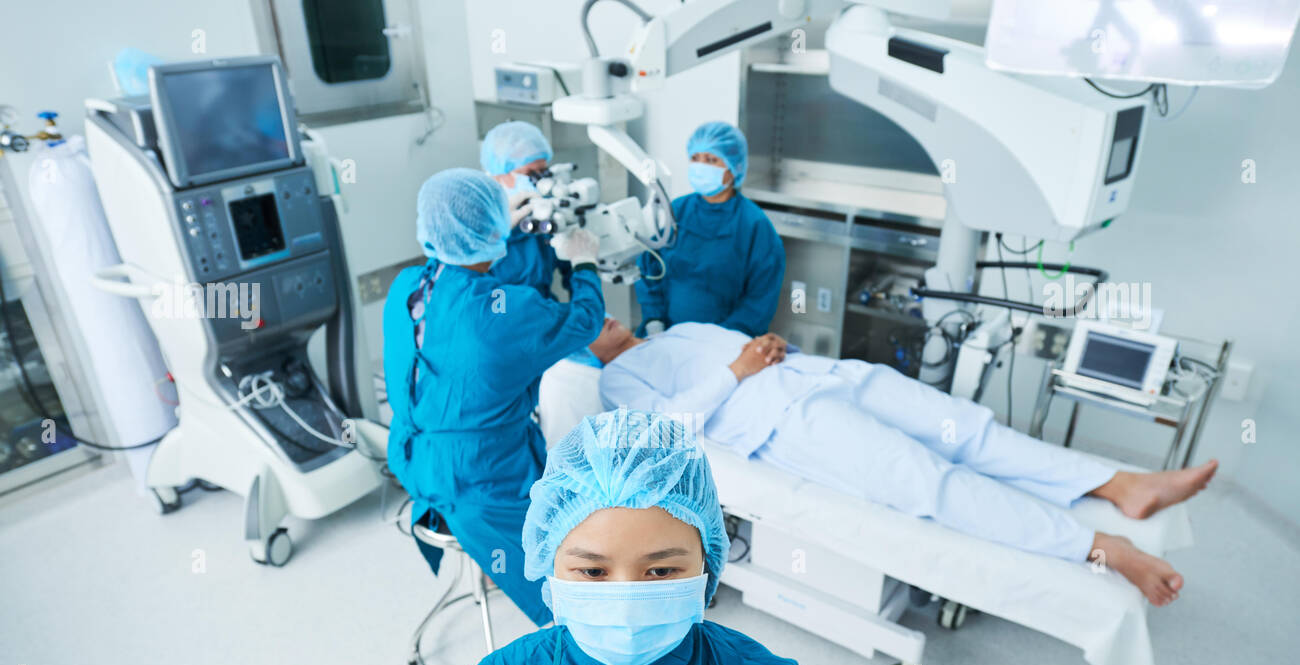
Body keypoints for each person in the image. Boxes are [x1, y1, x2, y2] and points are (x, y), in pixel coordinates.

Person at [589, 321, 1219, 606]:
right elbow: (668, 429)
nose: (604, 316)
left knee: (971, 430)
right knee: (933, 483)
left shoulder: (675, 331)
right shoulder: (615, 383)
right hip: (794, 427)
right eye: (588, 321)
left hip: (827, 377)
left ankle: (1119, 483)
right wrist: (739, 368)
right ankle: (1100, 546)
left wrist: (767, 345)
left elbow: (747, 350)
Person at [444, 409, 821, 665]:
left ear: (706, 563)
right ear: (550, 566)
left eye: (660, 572)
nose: (625, 602)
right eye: (593, 572)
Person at [383, 167, 619, 626]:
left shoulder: (405, 288)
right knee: (570, 583)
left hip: (413, 462)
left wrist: (496, 232)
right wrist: (583, 262)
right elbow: (587, 319)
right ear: (492, 229)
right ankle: (578, 648)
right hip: (483, 481)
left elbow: (458, 325)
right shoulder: (508, 313)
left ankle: (492, 563)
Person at [634, 121, 785, 337]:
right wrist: (654, 321)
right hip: (663, 334)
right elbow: (648, 267)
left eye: (711, 160)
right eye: (695, 158)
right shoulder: (675, 210)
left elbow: (761, 298)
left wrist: (719, 340)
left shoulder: (754, 225)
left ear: (735, 168)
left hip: (724, 344)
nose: (700, 166)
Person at [480, 120, 570, 296]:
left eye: (544, 171)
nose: (540, 180)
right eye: (529, 174)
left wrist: (591, 311)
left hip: (542, 308)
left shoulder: (546, 208)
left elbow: (570, 265)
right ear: (499, 174)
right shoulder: (479, 220)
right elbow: (469, 283)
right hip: (500, 311)